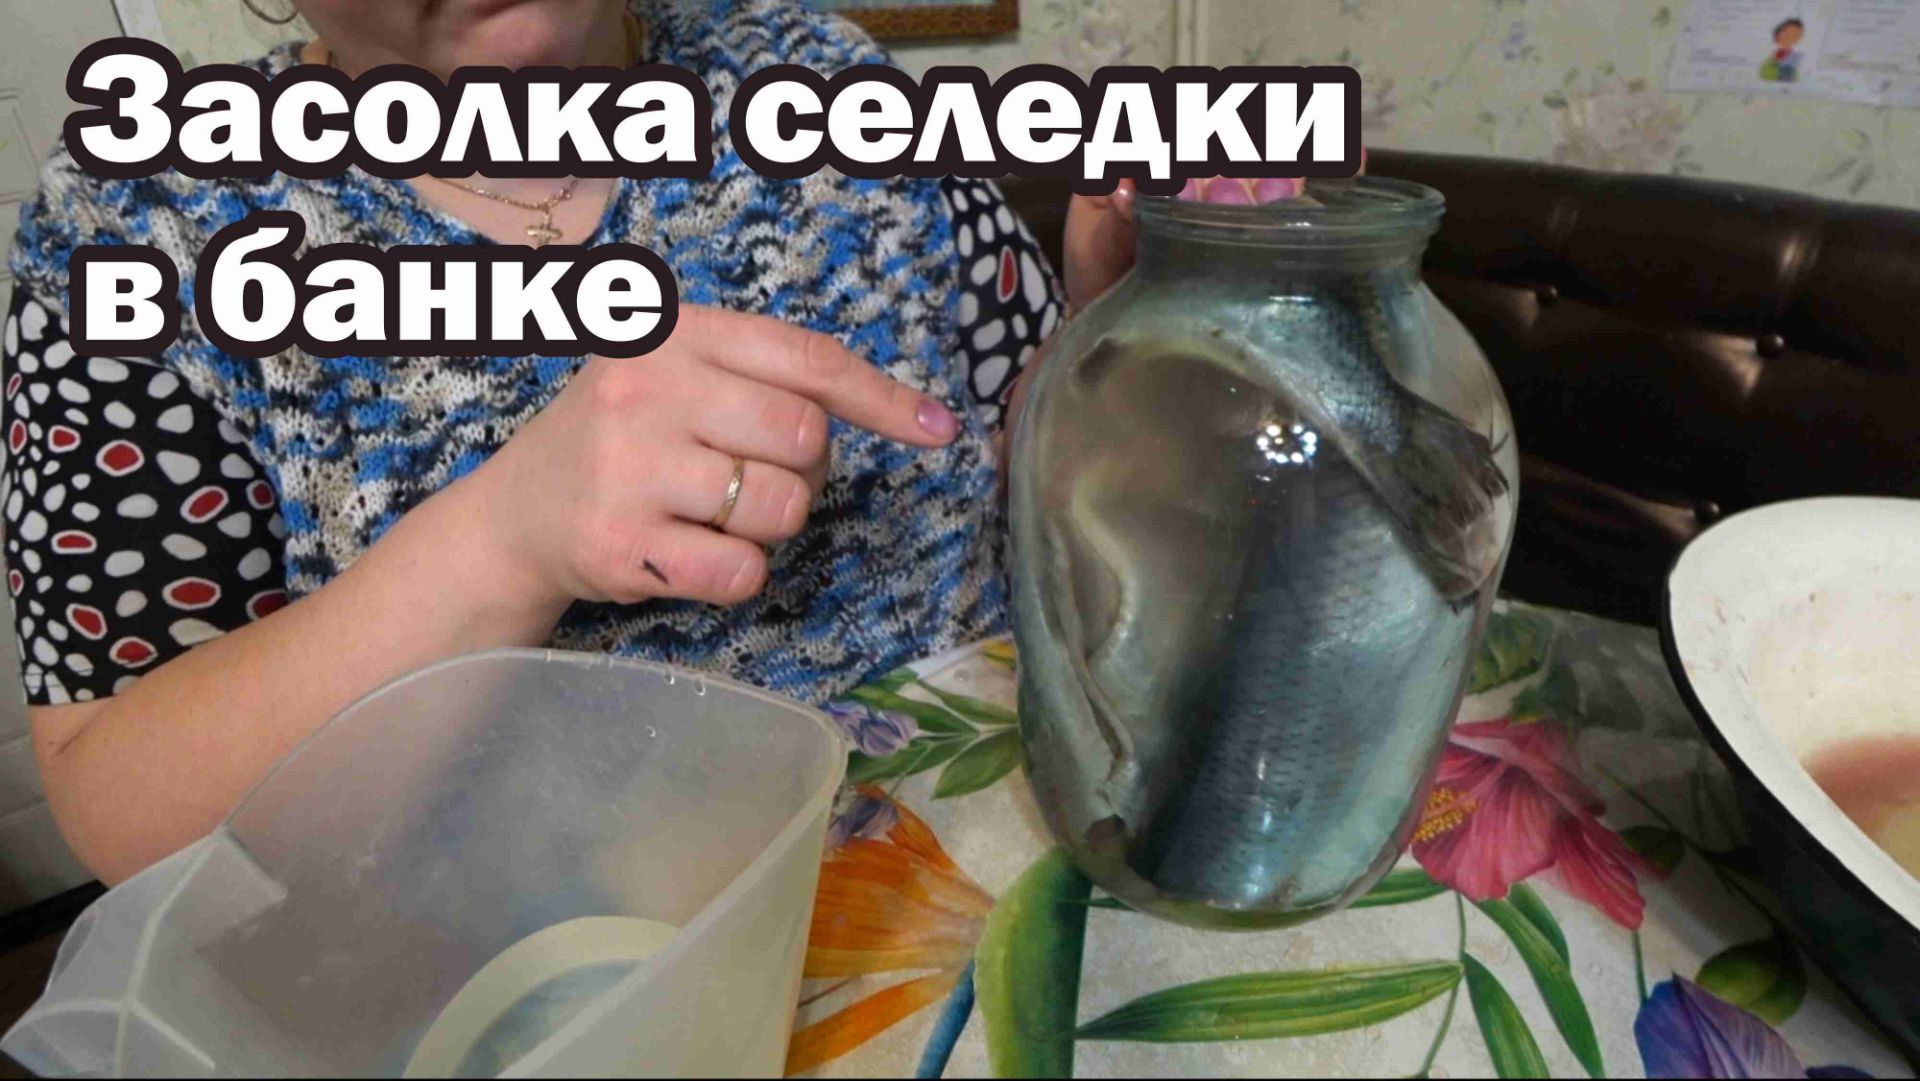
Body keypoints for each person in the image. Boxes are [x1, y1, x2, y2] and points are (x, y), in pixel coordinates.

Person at [4, 0, 1294, 885]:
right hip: (553, 998)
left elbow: (1040, 482)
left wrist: (1123, 339)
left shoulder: (826, 76)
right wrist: (504, 540)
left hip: (1007, 893)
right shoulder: (135, 226)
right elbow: (119, 805)